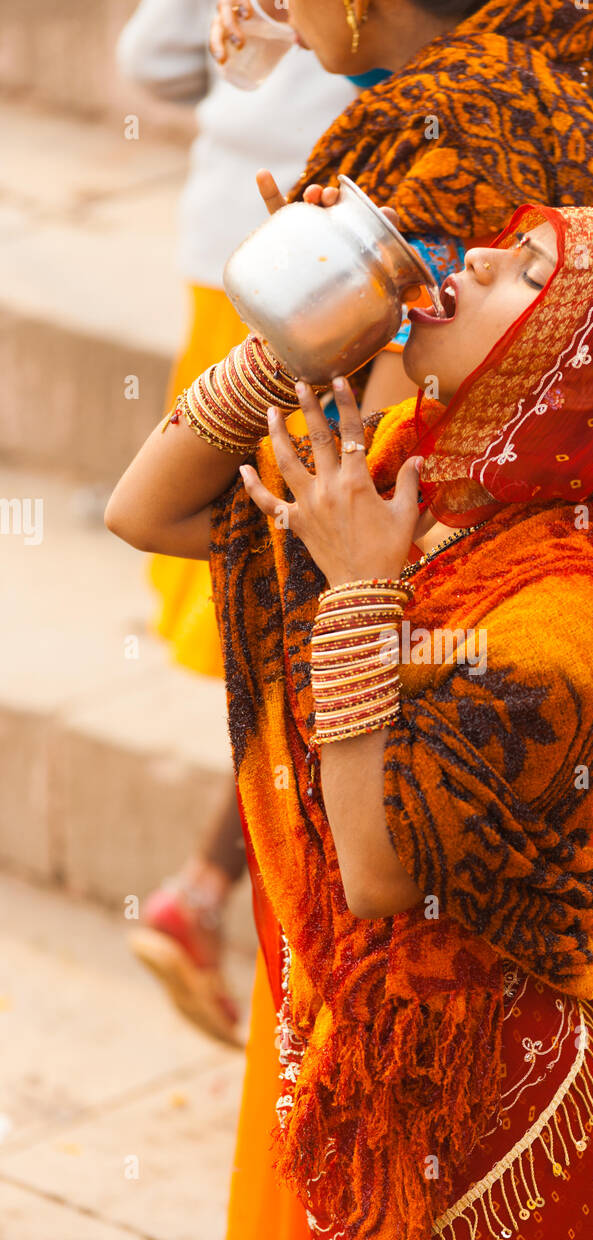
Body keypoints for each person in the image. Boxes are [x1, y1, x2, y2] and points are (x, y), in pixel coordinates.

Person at [105, 193, 593, 1240]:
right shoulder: (422, 489)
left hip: (495, 1117)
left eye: (523, 272)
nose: (477, 260)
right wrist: (283, 350)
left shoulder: (569, 616)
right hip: (367, 1061)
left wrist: (355, 594)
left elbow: (382, 869)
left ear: (566, 369)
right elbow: (144, 512)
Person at [115, 0, 355, 1044]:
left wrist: (244, 92)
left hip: (228, 241)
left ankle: (210, 889)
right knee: (307, 589)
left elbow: (153, 56)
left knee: (293, 589)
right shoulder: (422, 91)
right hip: (329, 275)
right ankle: (217, 887)